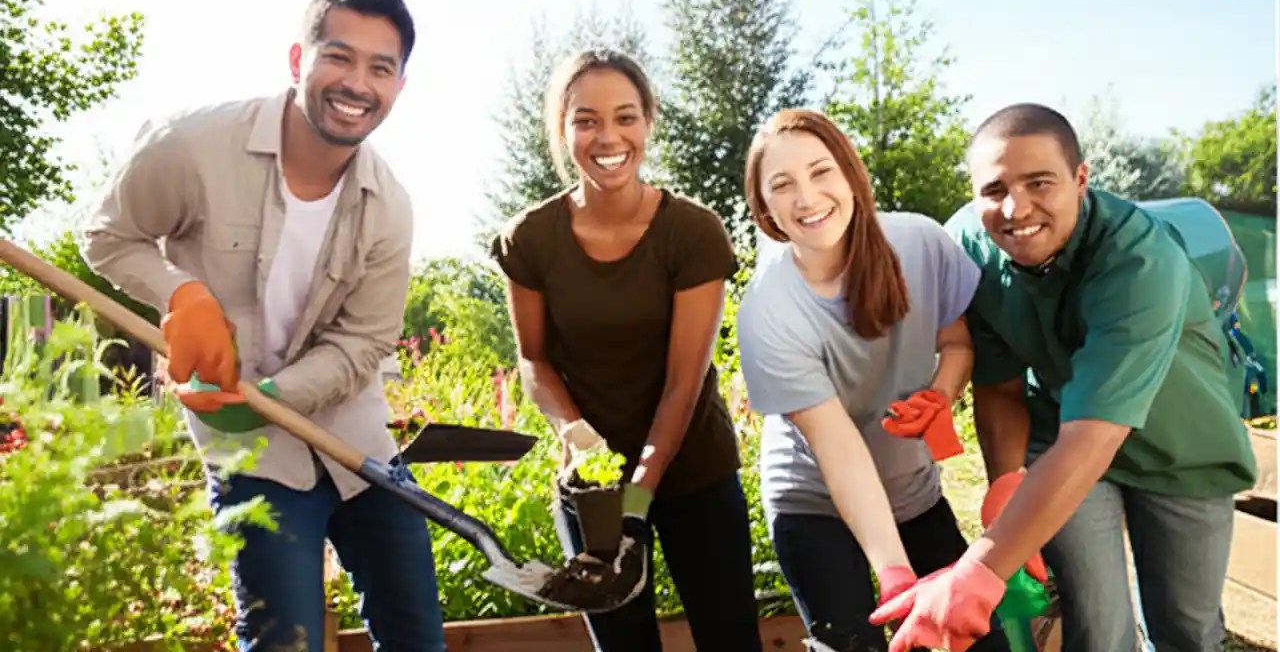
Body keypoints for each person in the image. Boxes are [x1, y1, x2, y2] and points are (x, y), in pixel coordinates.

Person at [81, 0, 448, 651]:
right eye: (338, 56)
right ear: (296, 61)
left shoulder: (388, 205)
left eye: (380, 68)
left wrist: (274, 395)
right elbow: (107, 236)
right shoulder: (193, 148)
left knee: (417, 637)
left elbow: (364, 342)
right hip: (250, 455)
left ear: (399, 85)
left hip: (358, 445)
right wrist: (180, 293)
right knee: (286, 641)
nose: (356, 83)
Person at [872, 102, 1258, 652]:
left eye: (1039, 183)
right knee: (1097, 632)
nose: (1014, 208)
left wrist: (977, 574)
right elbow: (1000, 383)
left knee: (1186, 631)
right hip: (1060, 441)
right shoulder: (975, 248)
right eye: (994, 189)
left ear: (1080, 179)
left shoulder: (1141, 261)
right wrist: (1007, 482)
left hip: (1179, 450)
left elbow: (1096, 434)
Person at [489, 47, 763, 651]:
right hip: (592, 490)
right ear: (562, 130)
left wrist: (638, 494)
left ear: (648, 123)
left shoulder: (691, 232)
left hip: (694, 468)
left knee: (730, 639)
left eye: (625, 117)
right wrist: (575, 434)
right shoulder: (530, 238)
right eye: (586, 120)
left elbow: (683, 381)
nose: (607, 136)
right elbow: (533, 358)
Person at [735, 107, 1014, 652]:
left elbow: (956, 343)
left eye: (821, 172)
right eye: (783, 185)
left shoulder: (919, 244)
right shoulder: (768, 308)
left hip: (911, 487)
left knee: (978, 639)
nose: (808, 198)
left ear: (850, 174)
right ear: (765, 209)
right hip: (812, 497)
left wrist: (940, 395)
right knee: (850, 644)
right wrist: (894, 572)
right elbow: (836, 446)